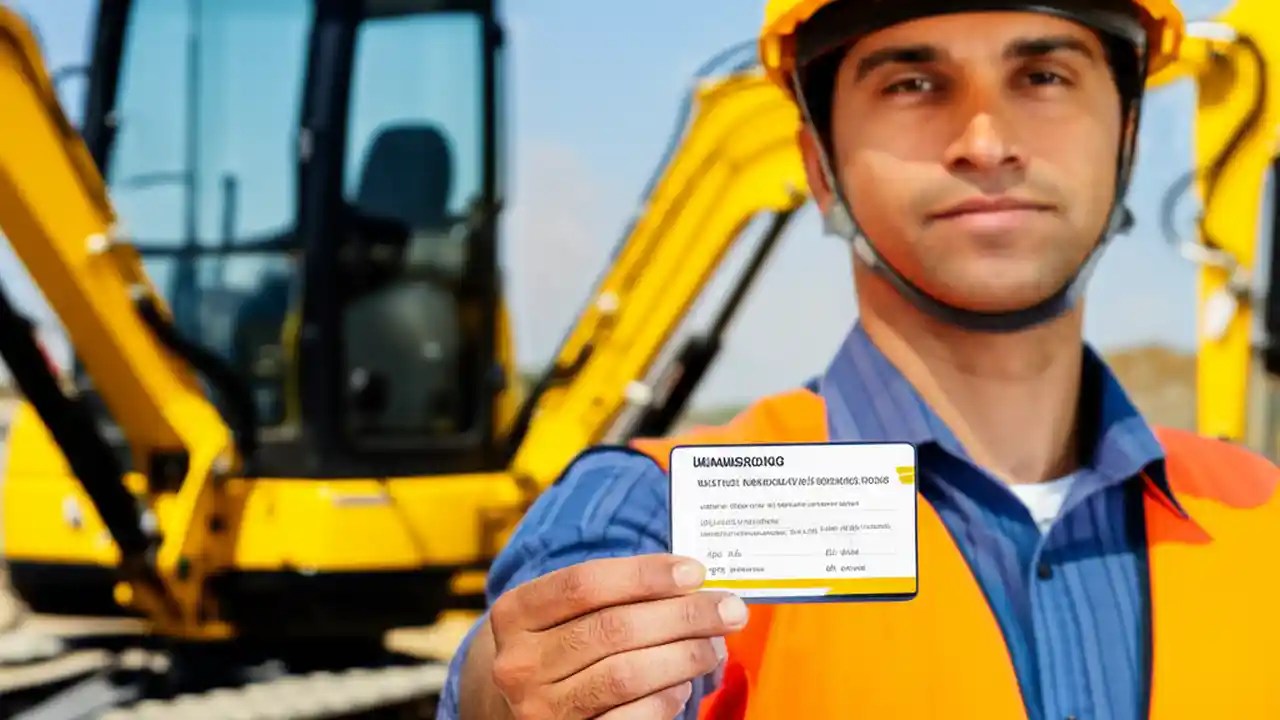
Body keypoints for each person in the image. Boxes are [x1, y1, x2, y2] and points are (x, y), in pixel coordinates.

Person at [438, 0, 1280, 718]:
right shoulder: (661, 509)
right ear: (819, 164)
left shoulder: (1263, 515)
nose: (985, 142)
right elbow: (547, 638)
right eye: (913, 83)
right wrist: (505, 690)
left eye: (1044, 76)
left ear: (1126, 134)